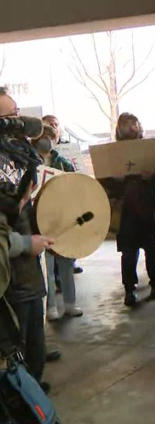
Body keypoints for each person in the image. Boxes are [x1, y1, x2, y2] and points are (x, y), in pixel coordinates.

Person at [0, 86, 56, 392]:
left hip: (31, 274)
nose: (19, 124)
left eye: (17, 114)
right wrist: (24, 243)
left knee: (36, 337)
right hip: (10, 281)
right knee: (17, 346)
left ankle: (33, 386)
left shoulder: (21, 160)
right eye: (10, 118)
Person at [115, 112, 155, 306]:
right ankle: (129, 289)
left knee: (153, 249)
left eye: (134, 123)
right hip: (129, 209)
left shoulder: (149, 148)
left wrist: (153, 174)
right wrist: (117, 179)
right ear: (119, 128)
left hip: (149, 204)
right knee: (129, 253)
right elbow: (110, 185)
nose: (131, 128)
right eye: (126, 124)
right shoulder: (114, 152)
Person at [31, 126, 81, 321]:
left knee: (66, 264)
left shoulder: (64, 163)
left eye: (50, 136)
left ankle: (70, 303)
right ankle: (50, 305)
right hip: (40, 221)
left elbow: (76, 186)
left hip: (62, 221)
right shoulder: (30, 162)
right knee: (47, 268)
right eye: (43, 136)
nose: (47, 139)